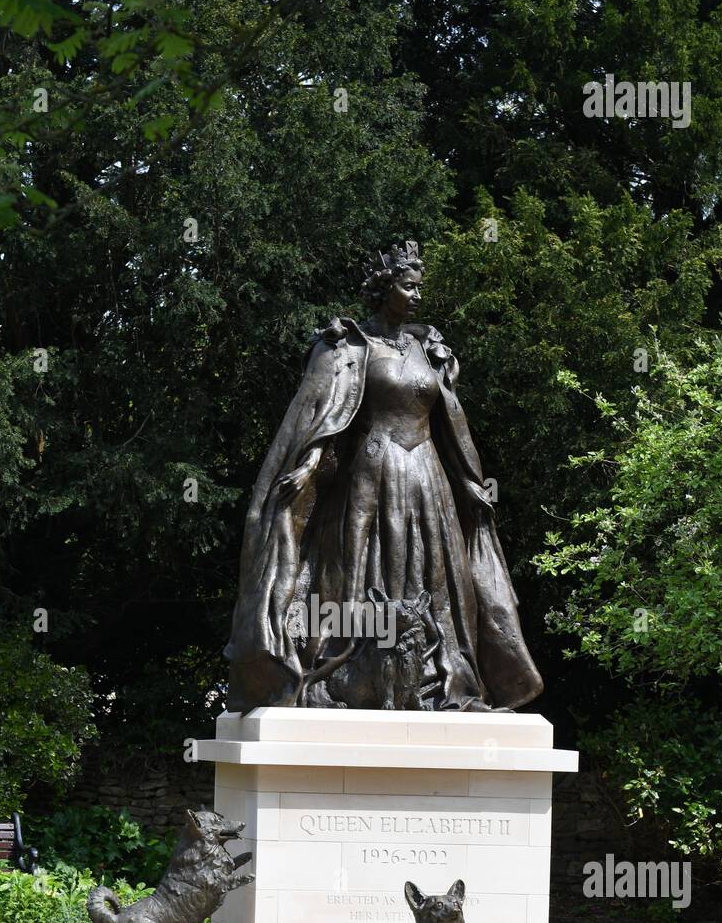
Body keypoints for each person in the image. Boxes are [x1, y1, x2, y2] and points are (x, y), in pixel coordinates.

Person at [225, 240, 543, 713]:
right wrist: (308, 464)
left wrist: (469, 481)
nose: (416, 295)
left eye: (419, 287)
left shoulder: (428, 348)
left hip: (428, 474)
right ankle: (357, 674)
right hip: (372, 473)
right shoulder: (350, 347)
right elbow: (322, 417)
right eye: (406, 286)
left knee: (440, 573)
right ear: (383, 288)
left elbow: (449, 422)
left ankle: (439, 676)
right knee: (362, 569)